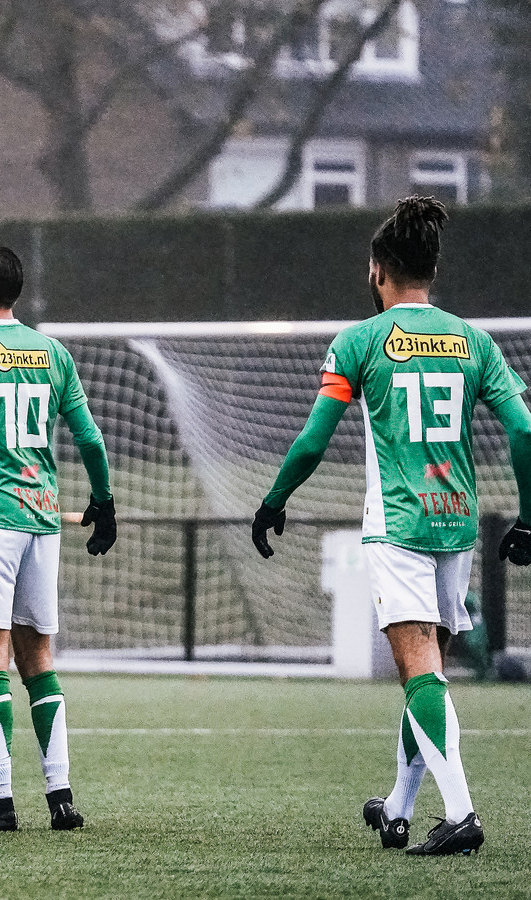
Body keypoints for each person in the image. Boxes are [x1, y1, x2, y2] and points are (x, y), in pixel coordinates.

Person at [252, 197, 531, 856]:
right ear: (430, 269)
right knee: (425, 666)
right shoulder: (473, 341)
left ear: (378, 271)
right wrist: (529, 513)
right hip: (456, 525)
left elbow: (314, 440)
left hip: (398, 526)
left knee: (420, 675)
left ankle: (460, 814)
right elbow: (523, 428)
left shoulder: (359, 341)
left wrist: (274, 499)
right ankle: (399, 808)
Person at [0, 243, 113, 833]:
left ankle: (0, 800)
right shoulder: (53, 352)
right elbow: (89, 437)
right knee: (39, 659)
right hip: (41, 520)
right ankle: (61, 795)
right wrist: (104, 499)